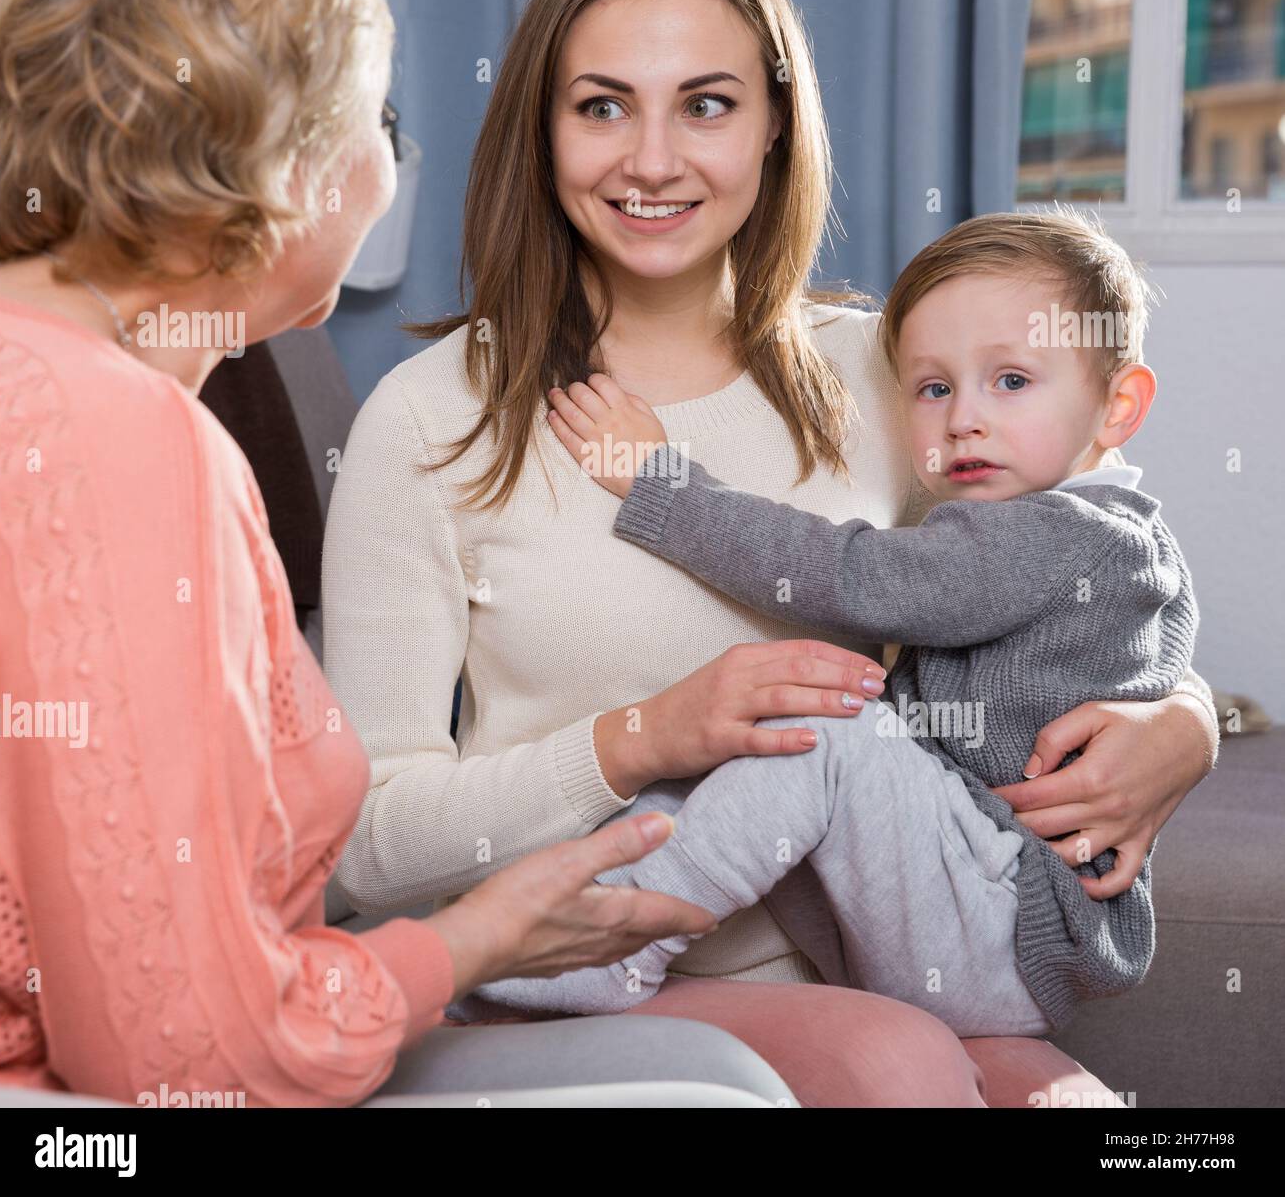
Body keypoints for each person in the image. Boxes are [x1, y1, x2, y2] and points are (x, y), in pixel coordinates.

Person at [323, 0, 1221, 1106]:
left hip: (887, 951)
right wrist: (644, 737)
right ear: (539, 133)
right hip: (557, 966)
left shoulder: (896, 373)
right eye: (601, 106)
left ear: (774, 127)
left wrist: (1179, 725)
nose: (652, 159)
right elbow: (366, 847)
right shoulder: (431, 417)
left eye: (706, 103)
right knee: (896, 1067)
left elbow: (1081, 563)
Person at [0, 0, 729, 1108]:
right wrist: (471, 941)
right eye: (381, 120)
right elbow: (184, 1063)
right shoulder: (124, 443)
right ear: (291, 157)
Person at [464, 208, 1197, 1037]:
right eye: (934, 387)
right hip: (960, 905)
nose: (964, 419)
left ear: (1119, 406)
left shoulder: (1061, 534)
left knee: (828, 733)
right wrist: (1192, 719)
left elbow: (853, 575)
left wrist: (662, 487)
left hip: (1006, 917)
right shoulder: (1135, 537)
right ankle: (568, 922)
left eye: (1012, 381)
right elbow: (1165, 667)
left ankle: (609, 948)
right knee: (748, 746)